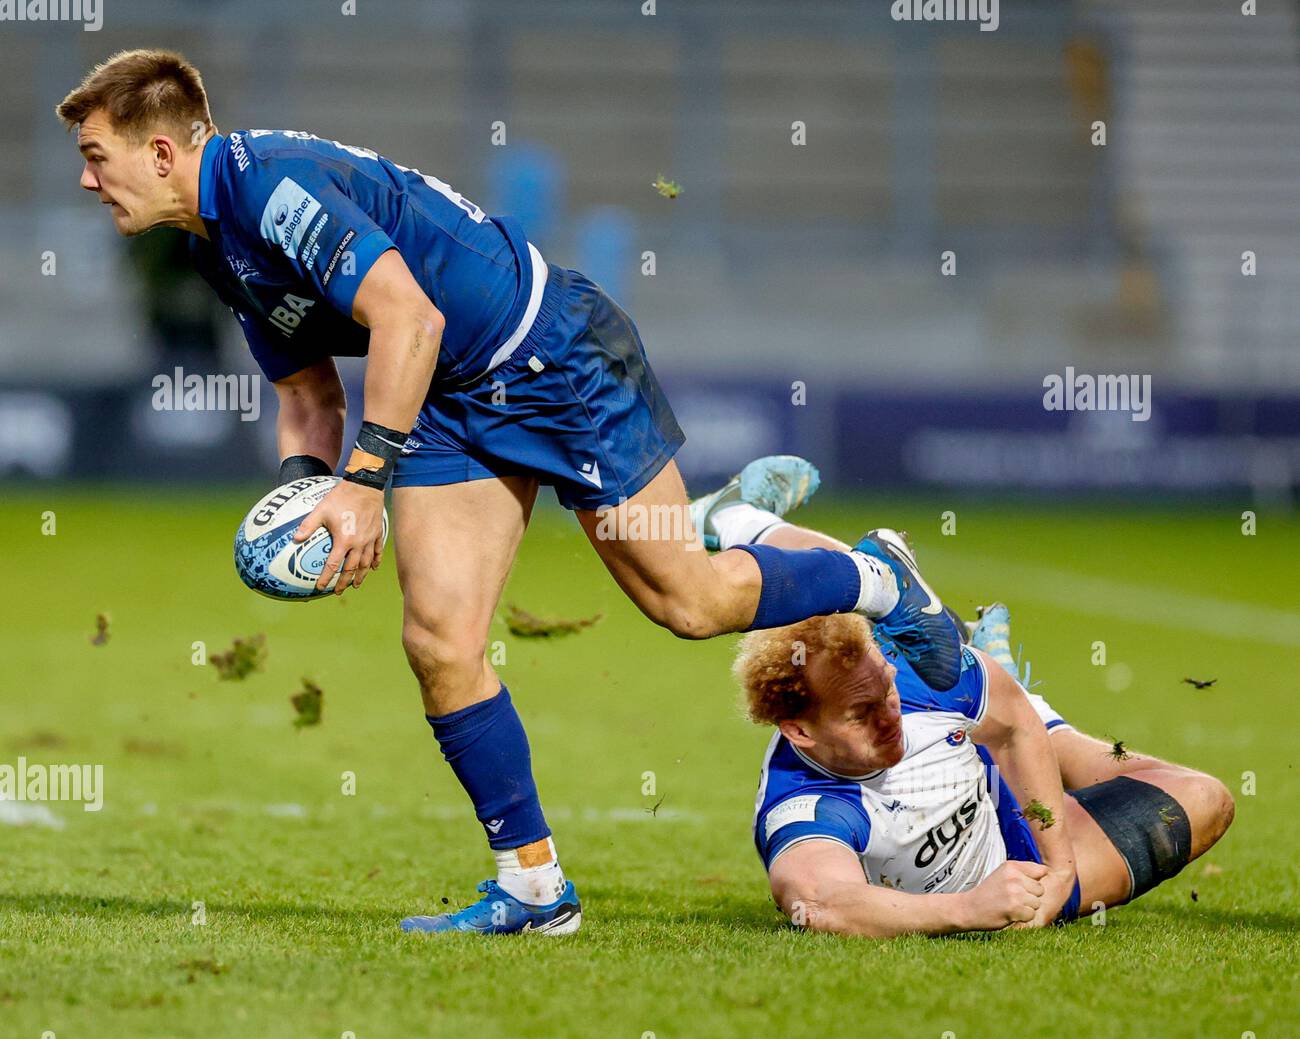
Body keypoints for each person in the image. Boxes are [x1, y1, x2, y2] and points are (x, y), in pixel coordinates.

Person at [56, 50, 964, 935]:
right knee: (440, 641)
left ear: (163, 151)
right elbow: (307, 393)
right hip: (448, 395)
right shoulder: (217, 243)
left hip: (550, 357)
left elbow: (408, 315)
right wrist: (308, 500)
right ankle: (534, 889)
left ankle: (876, 576)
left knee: (690, 601)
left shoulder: (268, 189)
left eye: (98, 156)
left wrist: (365, 484)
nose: (90, 180)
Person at [693, 459, 1236, 936]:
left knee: (1204, 795)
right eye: (861, 714)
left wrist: (1061, 866)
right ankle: (741, 520)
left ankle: (738, 519)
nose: (890, 718)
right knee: (930, 637)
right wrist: (967, 908)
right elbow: (824, 905)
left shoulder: (908, 680)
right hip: (996, 866)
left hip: (1015, 806)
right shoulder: (807, 806)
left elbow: (1015, 723)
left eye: (884, 694)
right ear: (800, 730)